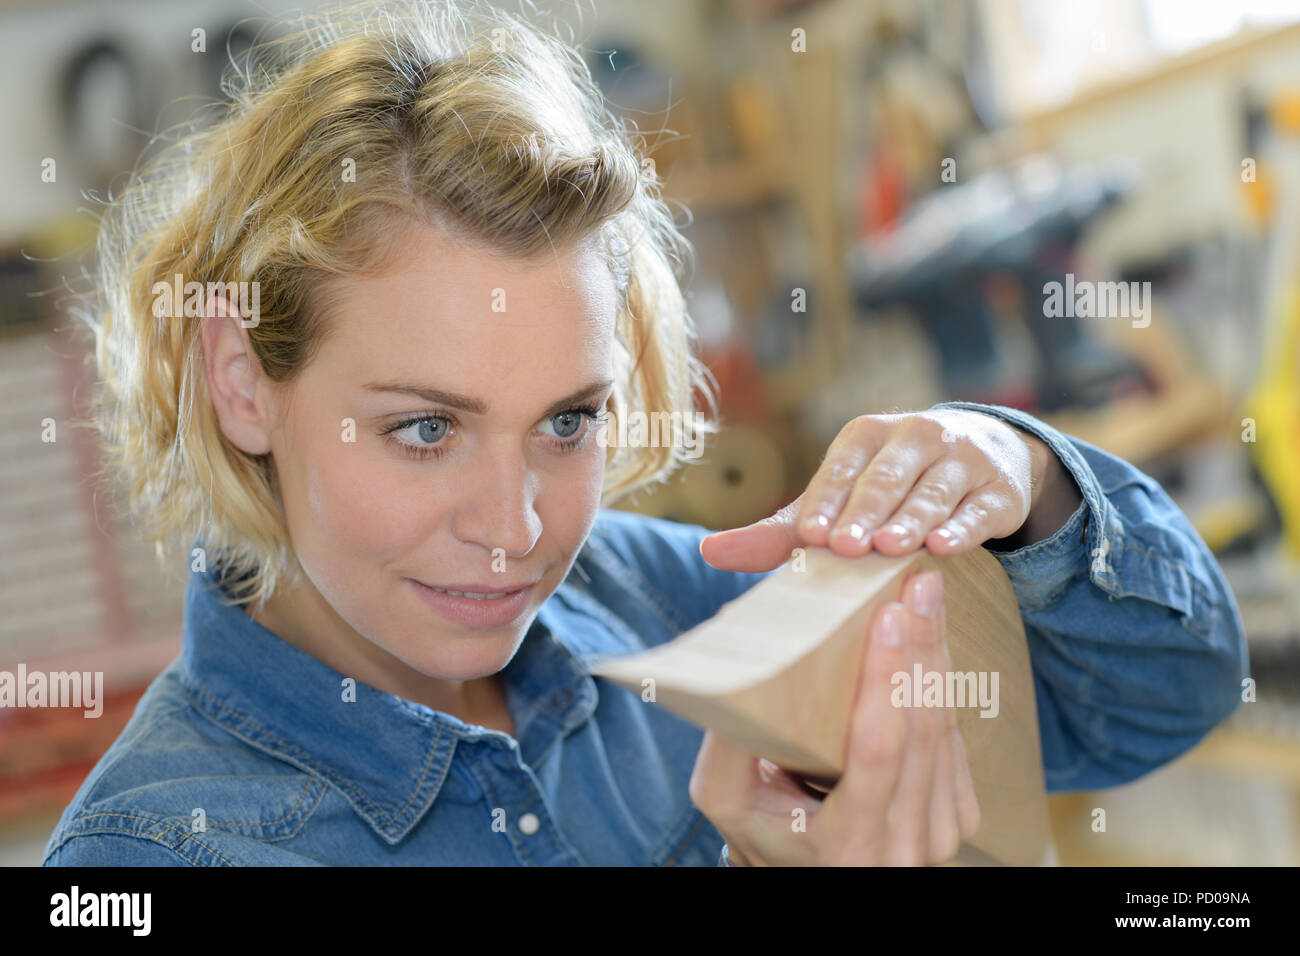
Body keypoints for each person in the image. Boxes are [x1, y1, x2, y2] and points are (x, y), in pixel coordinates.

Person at [42, 0, 1246, 867]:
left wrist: (1026, 476)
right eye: (422, 429)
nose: (515, 530)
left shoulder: (666, 602)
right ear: (244, 379)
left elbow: (1157, 700)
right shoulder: (158, 852)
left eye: (567, 419)